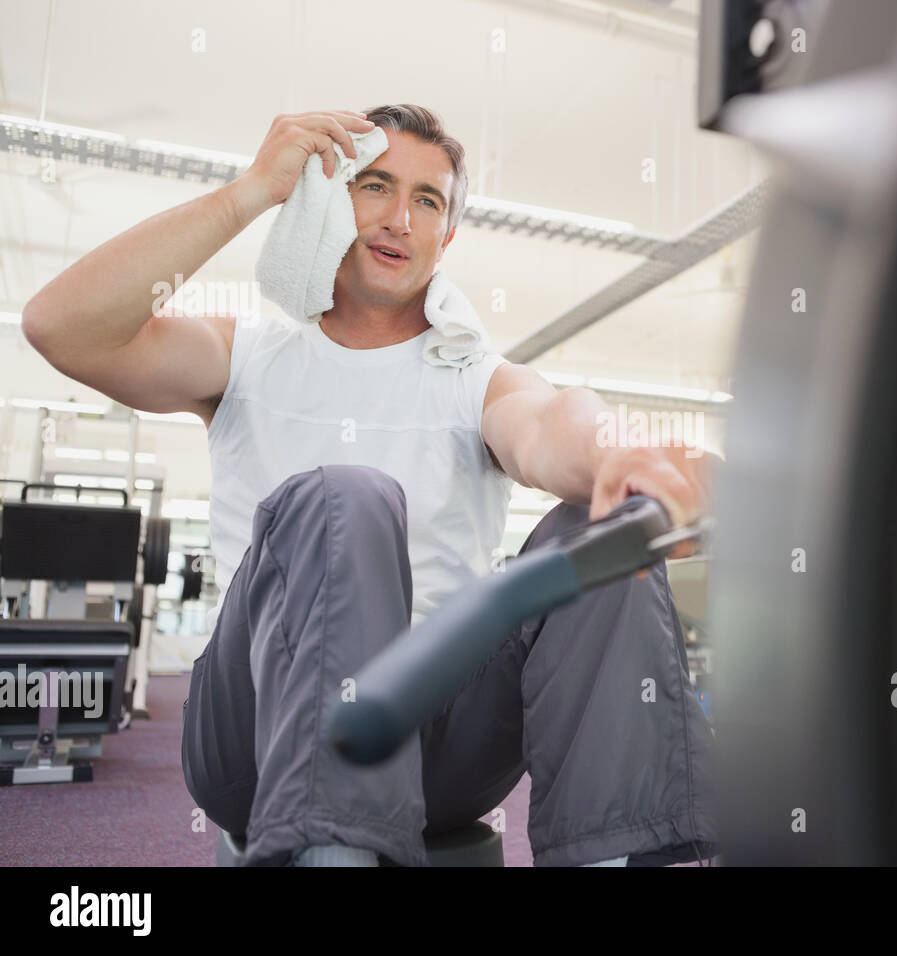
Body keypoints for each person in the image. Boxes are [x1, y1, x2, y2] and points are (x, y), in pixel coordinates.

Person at [21, 104, 719, 867]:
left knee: (596, 528)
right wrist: (249, 192)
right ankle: (333, 853)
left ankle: (611, 859)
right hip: (257, 740)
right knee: (342, 497)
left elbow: (550, 422)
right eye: (374, 186)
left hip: (442, 748)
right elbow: (62, 326)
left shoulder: (472, 374)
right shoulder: (244, 354)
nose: (398, 218)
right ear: (325, 197)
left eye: (427, 201)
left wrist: (617, 451)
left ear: (446, 236)